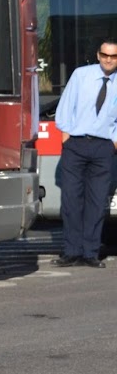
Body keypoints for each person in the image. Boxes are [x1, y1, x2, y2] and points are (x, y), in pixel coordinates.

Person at [52, 38, 117, 268]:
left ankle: (90, 253)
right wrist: (66, 134)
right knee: (70, 200)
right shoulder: (81, 75)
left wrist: (114, 142)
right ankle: (71, 251)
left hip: (103, 149)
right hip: (76, 145)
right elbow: (66, 104)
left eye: (114, 56)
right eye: (105, 55)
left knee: (97, 202)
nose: (109, 60)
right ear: (99, 55)